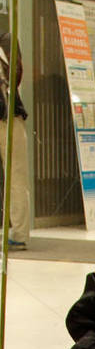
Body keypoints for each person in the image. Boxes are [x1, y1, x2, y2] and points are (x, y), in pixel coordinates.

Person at [0, 33, 30, 251]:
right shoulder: (8, 41)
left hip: (8, 116)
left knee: (15, 176)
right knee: (17, 175)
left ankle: (18, 233)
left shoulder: (7, 40)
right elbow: (16, 77)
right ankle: (18, 233)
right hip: (9, 117)